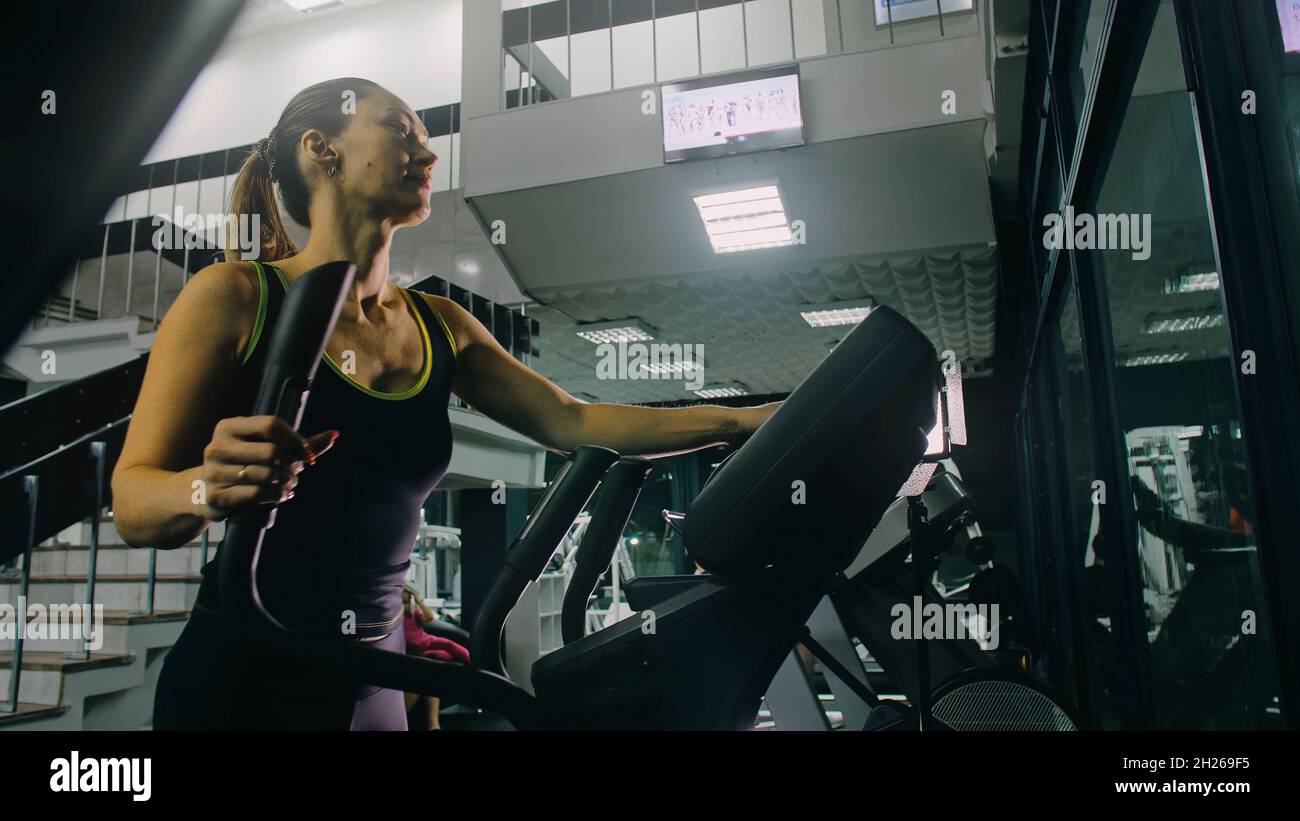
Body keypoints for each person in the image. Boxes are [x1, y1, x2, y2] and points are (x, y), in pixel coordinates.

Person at [112, 77, 778, 730]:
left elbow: (573, 421)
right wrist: (207, 486)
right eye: (402, 130)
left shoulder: (442, 326)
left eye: (427, 139)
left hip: (384, 670)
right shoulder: (234, 296)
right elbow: (136, 502)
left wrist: (741, 421)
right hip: (248, 673)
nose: (428, 155)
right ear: (323, 149)